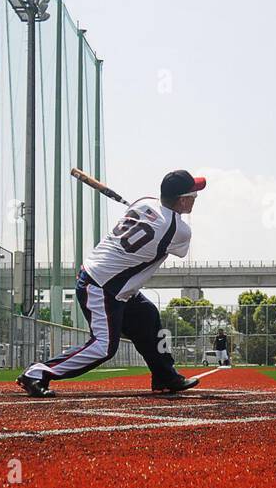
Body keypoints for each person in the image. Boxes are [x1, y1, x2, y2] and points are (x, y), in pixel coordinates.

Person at [17, 170, 206, 397]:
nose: (195, 197)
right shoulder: (180, 231)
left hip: (110, 281)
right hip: (101, 286)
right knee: (104, 347)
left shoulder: (144, 202)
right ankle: (38, 372)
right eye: (192, 194)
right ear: (182, 200)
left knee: (147, 316)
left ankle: (165, 377)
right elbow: (172, 245)